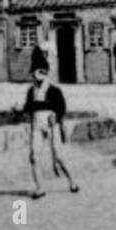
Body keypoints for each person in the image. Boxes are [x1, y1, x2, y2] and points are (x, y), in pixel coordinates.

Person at [21, 48, 78, 198]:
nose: (37, 76)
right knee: (34, 156)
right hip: (36, 124)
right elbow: (27, 107)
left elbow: (61, 107)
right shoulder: (31, 91)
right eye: (35, 73)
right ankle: (39, 188)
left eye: (41, 73)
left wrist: (57, 116)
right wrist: (19, 110)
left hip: (51, 124)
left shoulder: (54, 90)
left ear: (46, 73)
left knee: (59, 156)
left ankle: (72, 181)